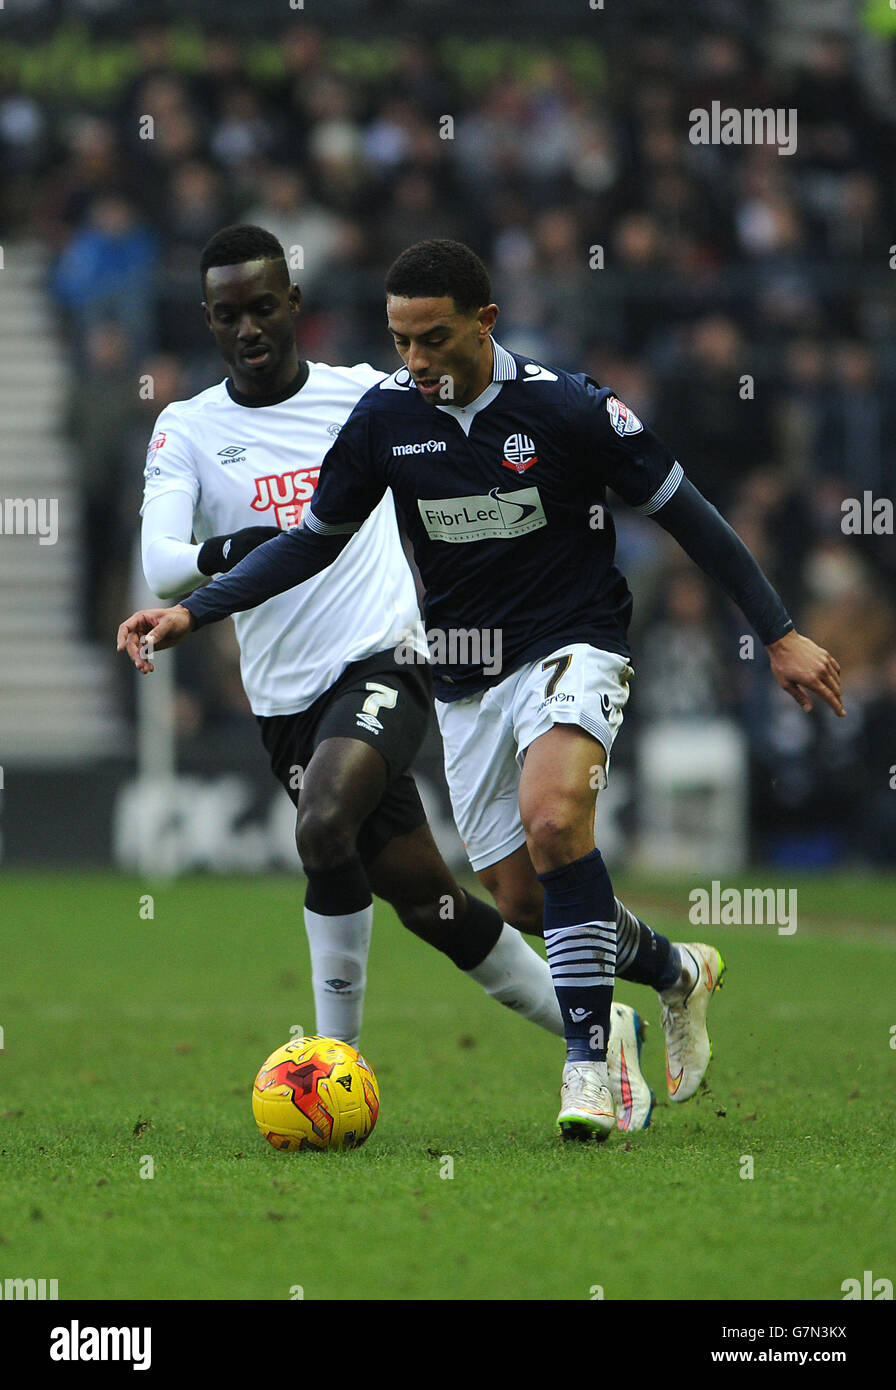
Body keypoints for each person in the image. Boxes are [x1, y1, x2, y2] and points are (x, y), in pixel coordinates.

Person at [120, 238, 834, 1138]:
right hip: (465, 674)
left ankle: (586, 1071)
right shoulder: (386, 418)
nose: (415, 362)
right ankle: (671, 970)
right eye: (399, 342)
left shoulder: (570, 408)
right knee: (524, 900)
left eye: (432, 340)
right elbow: (310, 541)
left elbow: (687, 512)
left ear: (485, 323)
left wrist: (778, 631)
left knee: (553, 818)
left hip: (572, 643)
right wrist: (193, 613)